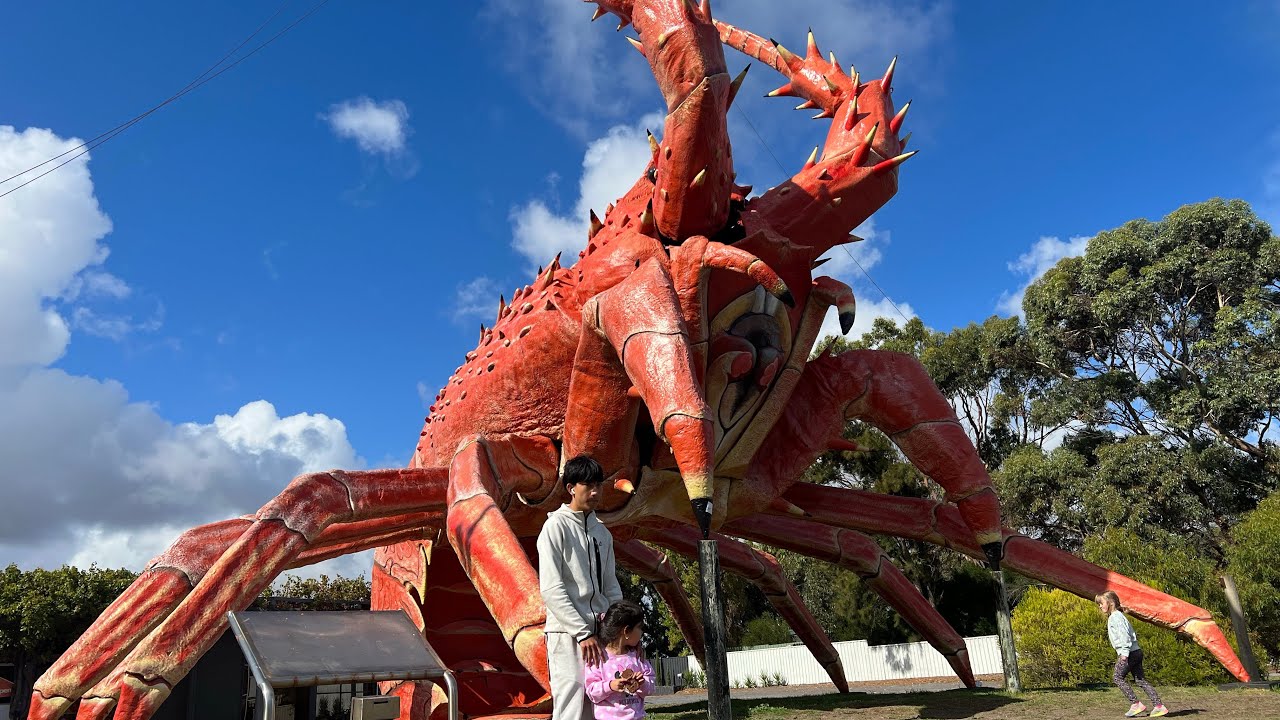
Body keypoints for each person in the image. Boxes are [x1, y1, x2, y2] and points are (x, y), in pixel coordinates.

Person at [538, 455, 625, 720]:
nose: (595, 491)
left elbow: (611, 588)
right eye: (588, 485)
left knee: (602, 704)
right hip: (566, 633)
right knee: (571, 706)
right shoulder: (555, 527)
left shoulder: (602, 533)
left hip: (601, 632)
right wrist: (581, 632)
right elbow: (551, 588)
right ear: (571, 488)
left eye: (598, 484)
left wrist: (618, 630)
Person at [1097, 590, 1168, 718]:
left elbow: (1124, 636)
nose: (1100, 606)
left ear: (1110, 602)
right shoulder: (1117, 616)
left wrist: (1124, 654)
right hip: (1136, 651)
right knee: (1140, 680)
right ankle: (1159, 706)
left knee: (1117, 677)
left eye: (1101, 603)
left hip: (1129, 653)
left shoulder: (1116, 617)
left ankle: (1136, 704)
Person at [584, 599, 655, 720]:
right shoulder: (599, 658)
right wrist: (610, 685)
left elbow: (651, 687)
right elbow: (591, 692)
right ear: (626, 631)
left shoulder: (637, 658)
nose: (642, 632)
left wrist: (642, 684)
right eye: (639, 627)